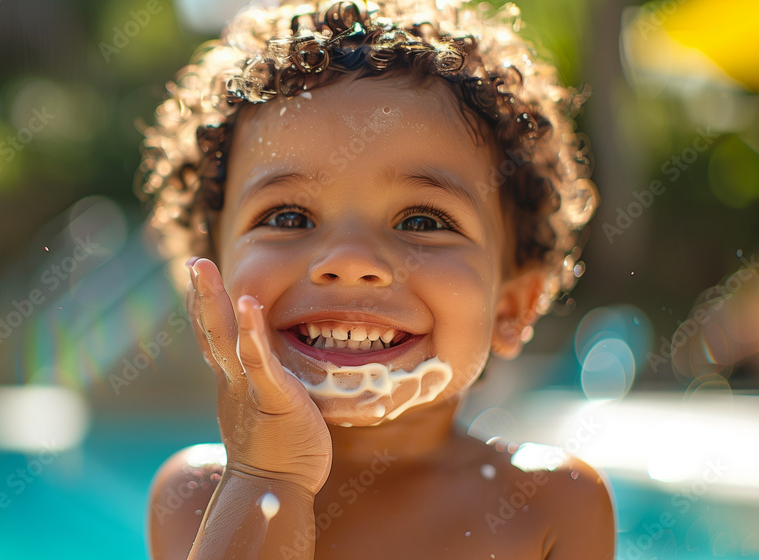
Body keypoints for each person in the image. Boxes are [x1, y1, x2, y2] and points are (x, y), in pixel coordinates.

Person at [137, 1, 613, 558]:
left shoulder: (549, 504)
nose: (350, 260)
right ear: (206, 291)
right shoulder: (197, 500)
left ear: (512, 306)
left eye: (422, 221)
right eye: (288, 217)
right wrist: (267, 479)